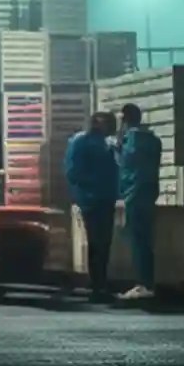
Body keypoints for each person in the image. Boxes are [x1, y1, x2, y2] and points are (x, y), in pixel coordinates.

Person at [64, 112, 120, 303]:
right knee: (97, 242)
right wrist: (89, 188)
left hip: (106, 198)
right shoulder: (82, 141)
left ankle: (100, 283)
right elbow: (73, 172)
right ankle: (97, 285)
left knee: (103, 242)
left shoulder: (107, 143)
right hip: (92, 199)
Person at [116, 103, 162, 301]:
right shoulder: (153, 140)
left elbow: (126, 168)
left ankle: (143, 283)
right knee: (145, 240)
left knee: (138, 240)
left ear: (124, 119)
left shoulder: (130, 143)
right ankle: (147, 282)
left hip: (134, 195)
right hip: (149, 192)